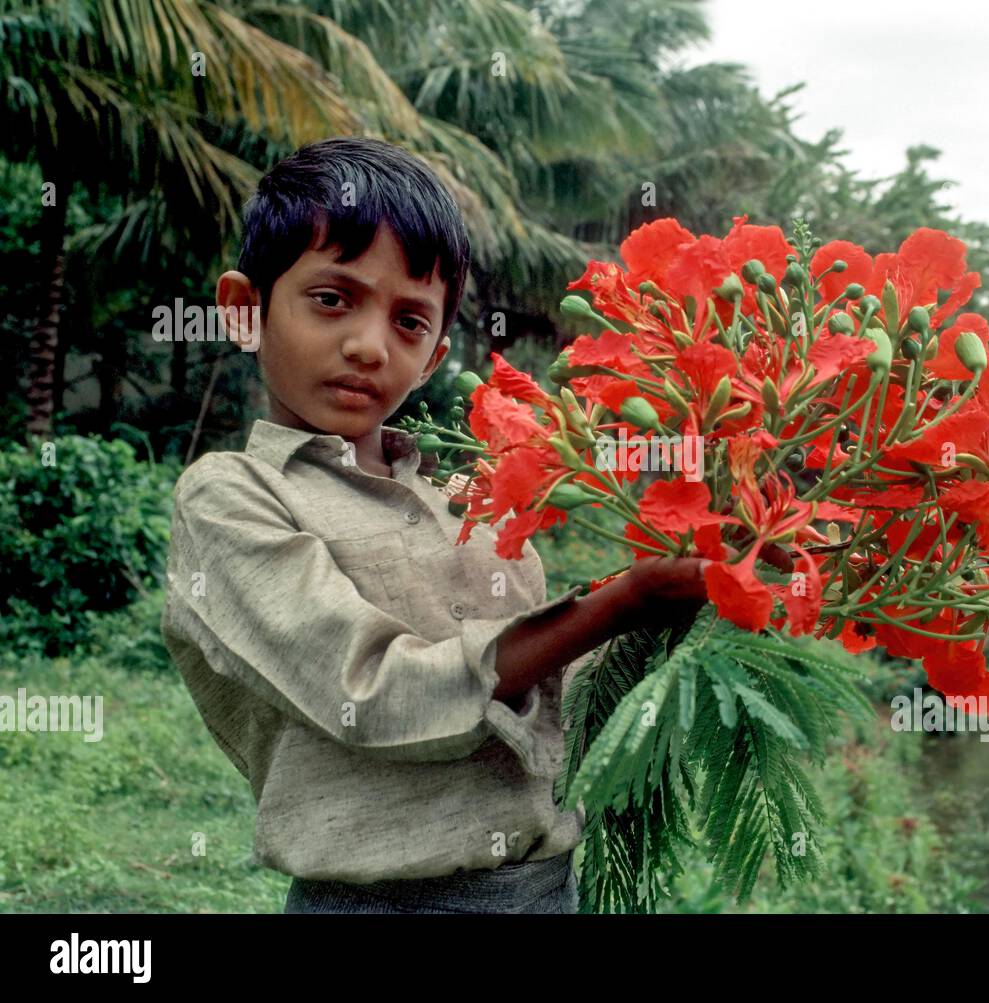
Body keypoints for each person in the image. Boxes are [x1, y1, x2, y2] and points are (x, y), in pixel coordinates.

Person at [160, 136, 711, 914]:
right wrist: (619, 603)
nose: (366, 344)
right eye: (331, 298)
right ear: (244, 311)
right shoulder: (230, 496)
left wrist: (697, 588)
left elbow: (558, 699)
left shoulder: (469, 495)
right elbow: (373, 691)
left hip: (549, 890)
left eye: (409, 321)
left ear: (432, 357)